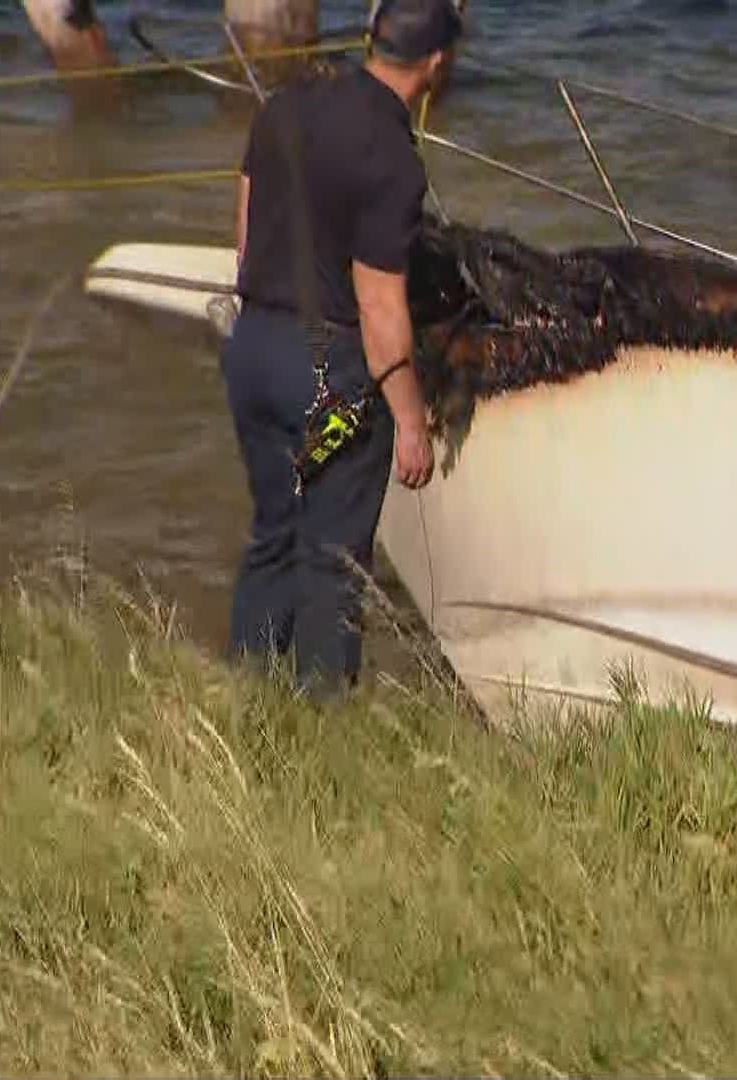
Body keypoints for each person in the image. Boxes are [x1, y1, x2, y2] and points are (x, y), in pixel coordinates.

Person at [222, 0, 462, 695]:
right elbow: (380, 307)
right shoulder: (391, 155)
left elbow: (245, 235)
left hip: (253, 353)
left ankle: (245, 702)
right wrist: (410, 421)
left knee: (273, 537)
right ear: (436, 62)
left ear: (371, 38)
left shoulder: (285, 105)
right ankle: (320, 726)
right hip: (327, 382)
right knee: (333, 560)